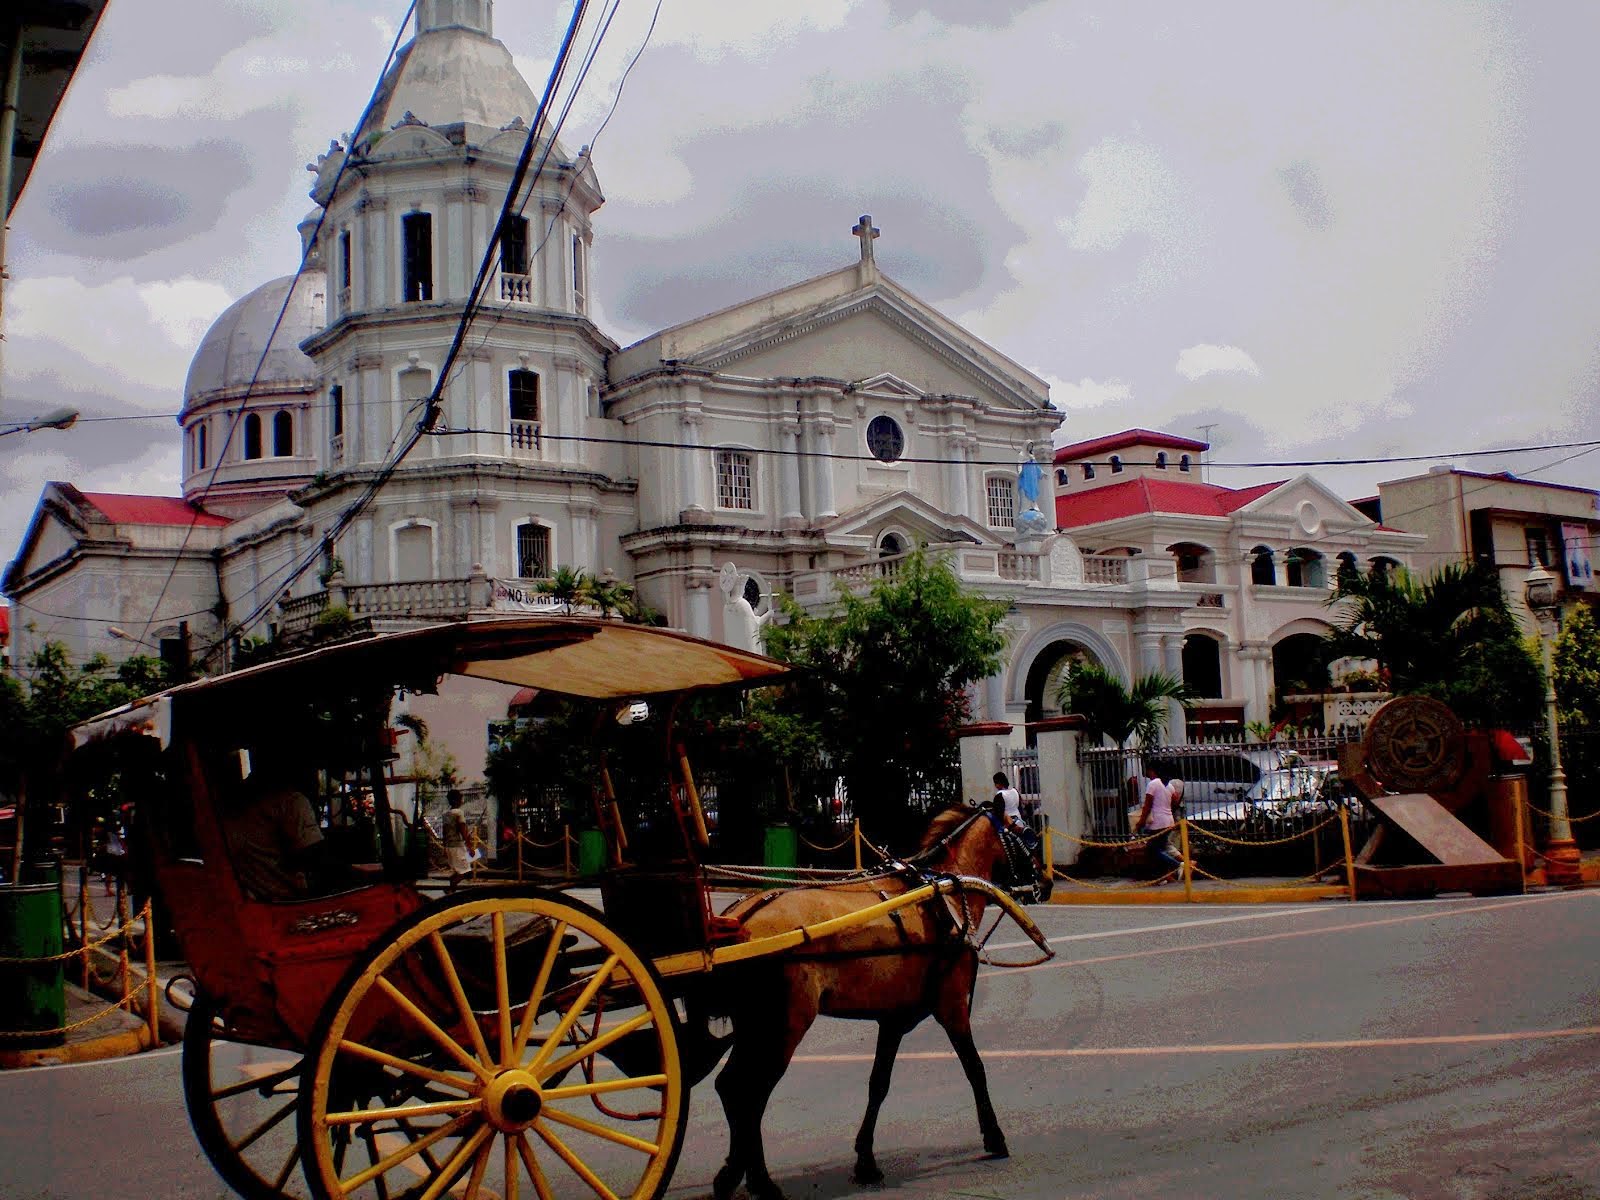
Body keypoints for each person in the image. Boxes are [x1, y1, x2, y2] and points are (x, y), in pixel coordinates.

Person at [223, 760, 327, 901]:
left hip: (248, 899)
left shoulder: (235, 799)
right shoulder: (291, 800)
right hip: (285, 901)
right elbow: (317, 858)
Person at [1132, 773, 1187, 881]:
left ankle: (1178, 865)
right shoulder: (1170, 787)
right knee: (1160, 849)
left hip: (1157, 823)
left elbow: (1147, 805)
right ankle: (1162, 877)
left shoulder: (1152, 784)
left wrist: (1141, 821)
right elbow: (1175, 802)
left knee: (1153, 851)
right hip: (1168, 821)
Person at [442, 790, 481, 892]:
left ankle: (451, 889)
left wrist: (444, 848)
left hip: (449, 847)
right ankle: (451, 889)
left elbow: (444, 832)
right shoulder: (459, 813)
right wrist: (470, 847)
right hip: (458, 846)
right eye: (460, 799)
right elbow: (463, 831)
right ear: (456, 800)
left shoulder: (445, 814)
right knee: (466, 871)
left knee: (458, 870)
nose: (462, 801)